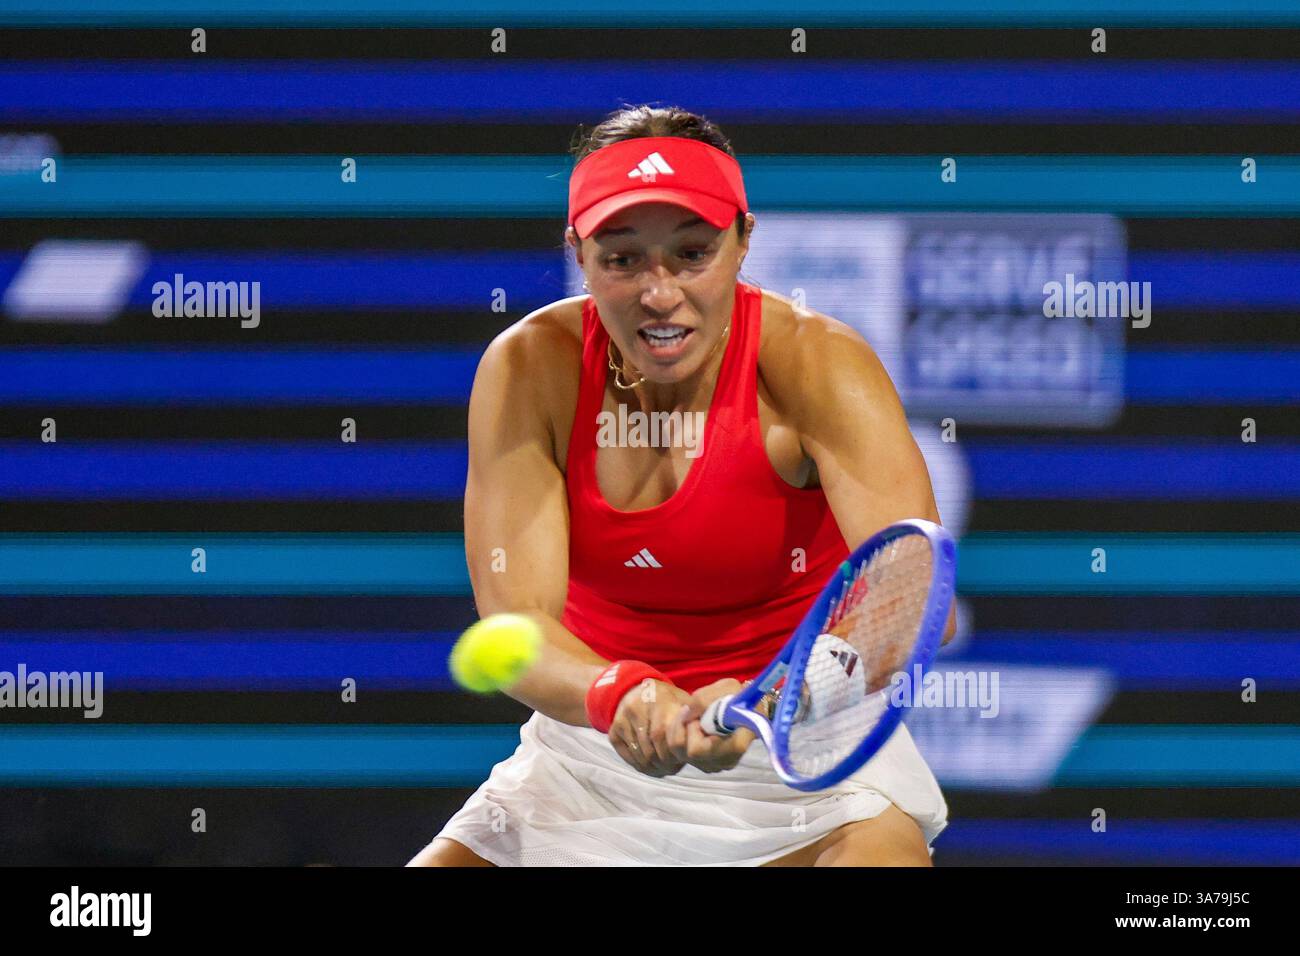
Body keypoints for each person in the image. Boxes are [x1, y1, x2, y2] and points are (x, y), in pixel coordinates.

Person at [409, 105, 953, 867]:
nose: (659, 294)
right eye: (622, 259)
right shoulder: (530, 369)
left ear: (743, 242)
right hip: (587, 760)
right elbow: (517, 625)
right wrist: (619, 692)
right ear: (578, 252)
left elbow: (920, 598)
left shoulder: (817, 362)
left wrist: (777, 696)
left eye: (692, 253)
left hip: (805, 769)